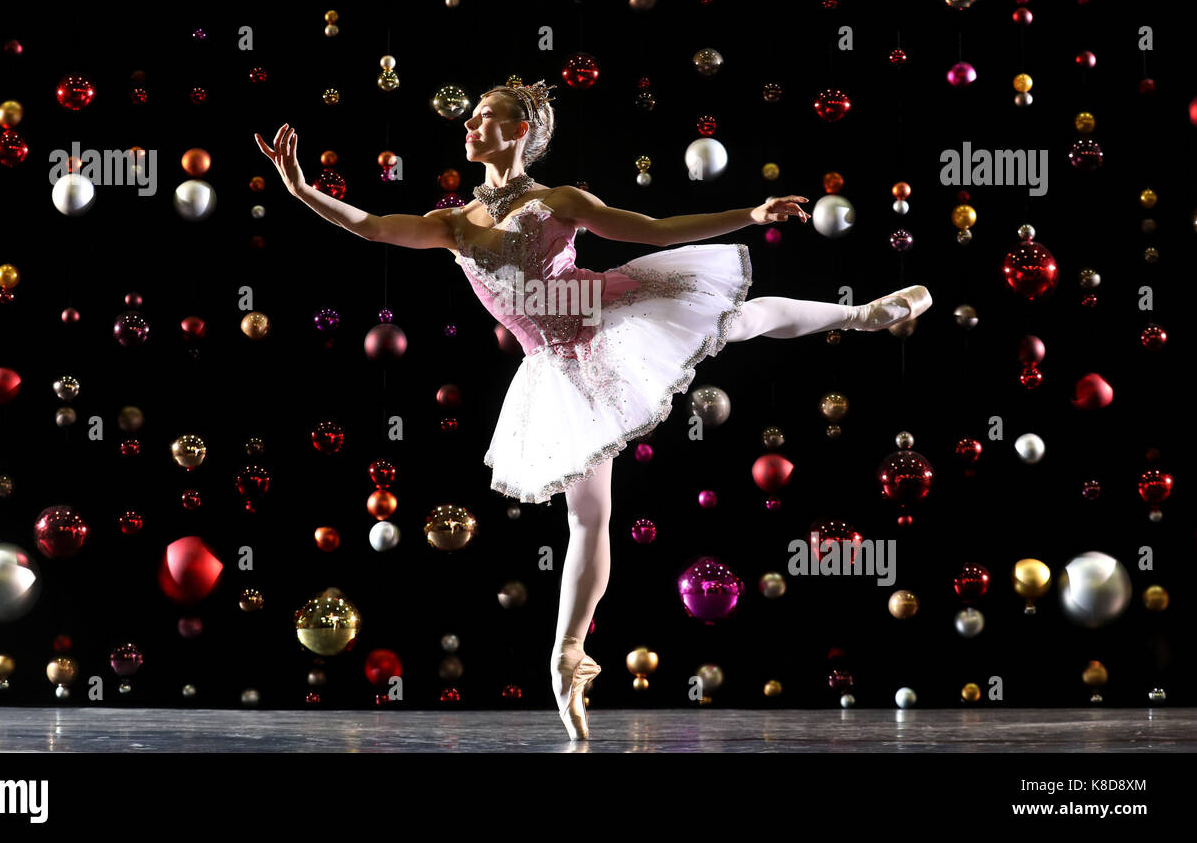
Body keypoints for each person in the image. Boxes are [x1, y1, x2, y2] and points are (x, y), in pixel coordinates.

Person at [255, 80, 931, 741]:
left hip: (606, 313)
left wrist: (749, 214)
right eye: (470, 117)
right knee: (589, 515)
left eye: (485, 117)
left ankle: (862, 313)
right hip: (556, 367)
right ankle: (568, 655)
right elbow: (372, 226)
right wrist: (302, 190)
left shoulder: (559, 201)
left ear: (518, 132)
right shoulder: (453, 224)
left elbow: (656, 229)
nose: (469, 126)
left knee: (735, 317)